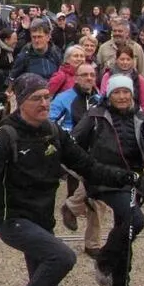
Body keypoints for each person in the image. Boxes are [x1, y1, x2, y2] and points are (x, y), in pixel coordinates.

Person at [0, 74, 138, 286]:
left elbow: (87, 165)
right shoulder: (6, 134)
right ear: (21, 102)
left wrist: (123, 177)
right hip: (13, 219)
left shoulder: (54, 132)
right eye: (37, 98)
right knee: (63, 256)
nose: (45, 103)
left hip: (42, 220)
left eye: (47, 96)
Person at [72, 74, 144, 286]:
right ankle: (105, 260)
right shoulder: (96, 116)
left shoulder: (140, 118)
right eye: (117, 92)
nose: (121, 97)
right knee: (134, 221)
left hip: (133, 181)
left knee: (125, 230)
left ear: (132, 94)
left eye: (125, 92)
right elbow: (72, 144)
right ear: (109, 95)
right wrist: (85, 170)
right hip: (105, 180)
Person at [49, 63, 106, 256]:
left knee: (98, 197)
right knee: (97, 181)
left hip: (95, 155)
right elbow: (50, 123)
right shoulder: (64, 99)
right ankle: (72, 207)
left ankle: (92, 243)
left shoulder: (100, 100)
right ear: (76, 77)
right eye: (84, 75)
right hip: (70, 153)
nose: (89, 78)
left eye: (92, 74)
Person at [99, 45, 144, 115]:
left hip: (133, 115)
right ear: (116, 60)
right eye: (122, 59)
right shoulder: (107, 76)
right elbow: (103, 97)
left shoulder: (139, 79)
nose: (125, 62)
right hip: (111, 114)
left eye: (128, 59)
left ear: (132, 60)